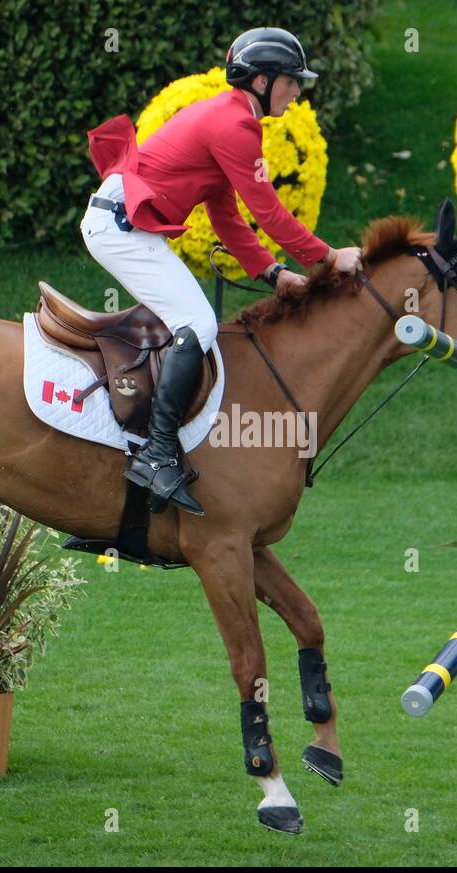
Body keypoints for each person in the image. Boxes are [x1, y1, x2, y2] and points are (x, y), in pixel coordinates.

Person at [82, 27, 363, 516]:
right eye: (291, 80)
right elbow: (270, 212)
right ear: (259, 79)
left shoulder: (230, 117)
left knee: (194, 322)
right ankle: (156, 453)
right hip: (121, 227)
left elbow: (225, 215)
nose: (297, 91)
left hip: (124, 223)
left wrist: (273, 274)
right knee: (200, 324)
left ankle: (156, 446)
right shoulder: (236, 126)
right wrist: (328, 257)